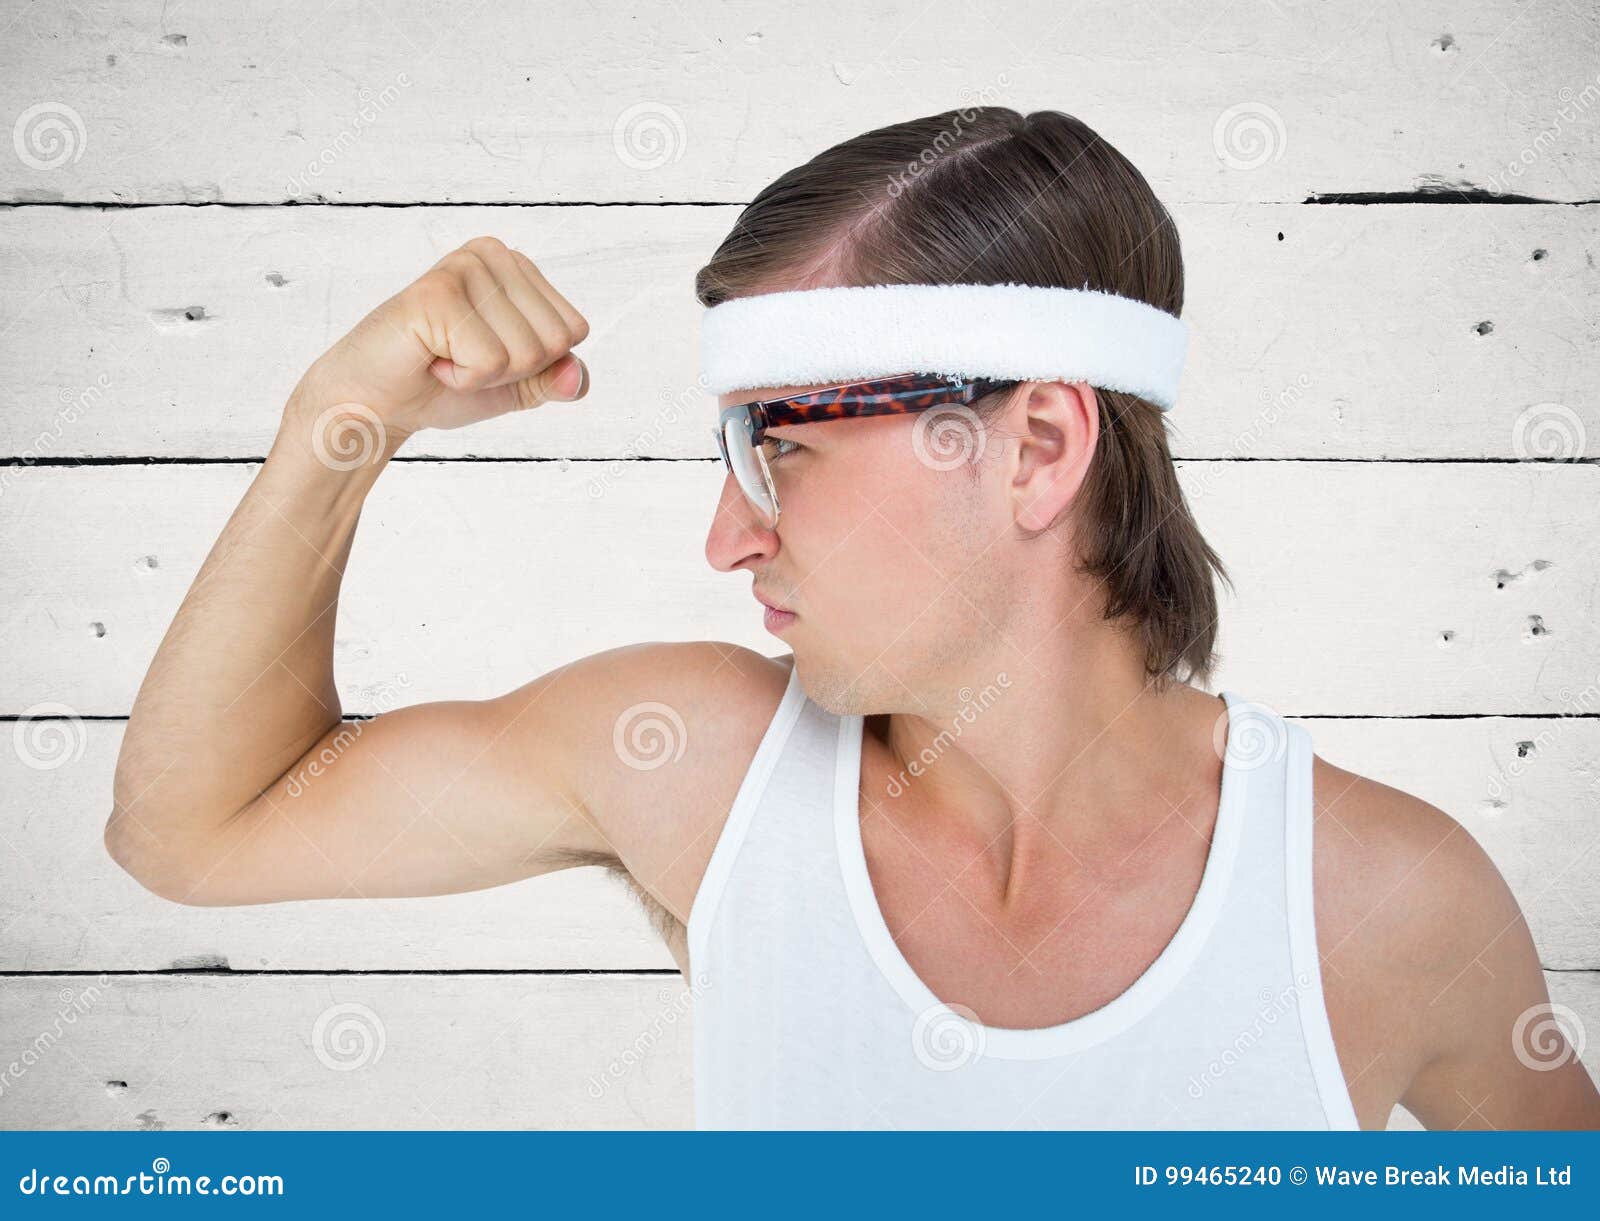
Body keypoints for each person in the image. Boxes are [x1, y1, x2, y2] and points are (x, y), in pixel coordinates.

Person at [105, 107, 1599, 1130]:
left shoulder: (1388, 904)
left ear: (1035, 447)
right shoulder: (703, 769)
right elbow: (192, 828)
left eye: (785, 449)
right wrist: (339, 419)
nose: (725, 534)